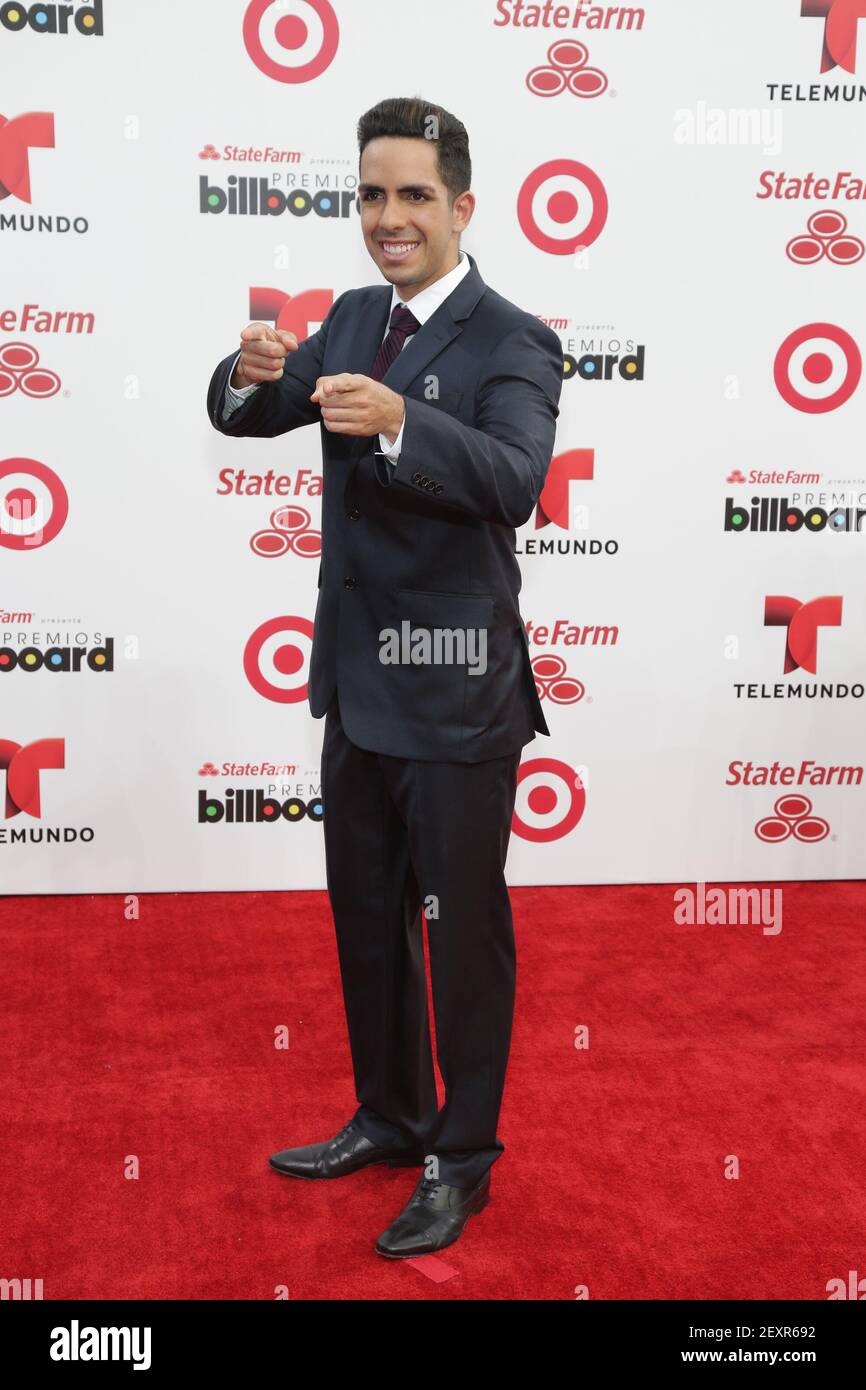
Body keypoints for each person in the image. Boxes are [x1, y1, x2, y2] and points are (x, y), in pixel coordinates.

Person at [206, 96, 563, 1258]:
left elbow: (513, 480)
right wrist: (248, 371)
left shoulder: (515, 336)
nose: (388, 217)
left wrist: (406, 420)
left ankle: (463, 1159)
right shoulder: (353, 315)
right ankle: (394, 1115)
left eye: (413, 195)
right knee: (367, 918)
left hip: (457, 690)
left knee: (460, 934)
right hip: (356, 687)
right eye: (370, 194)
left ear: (462, 205)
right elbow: (256, 414)